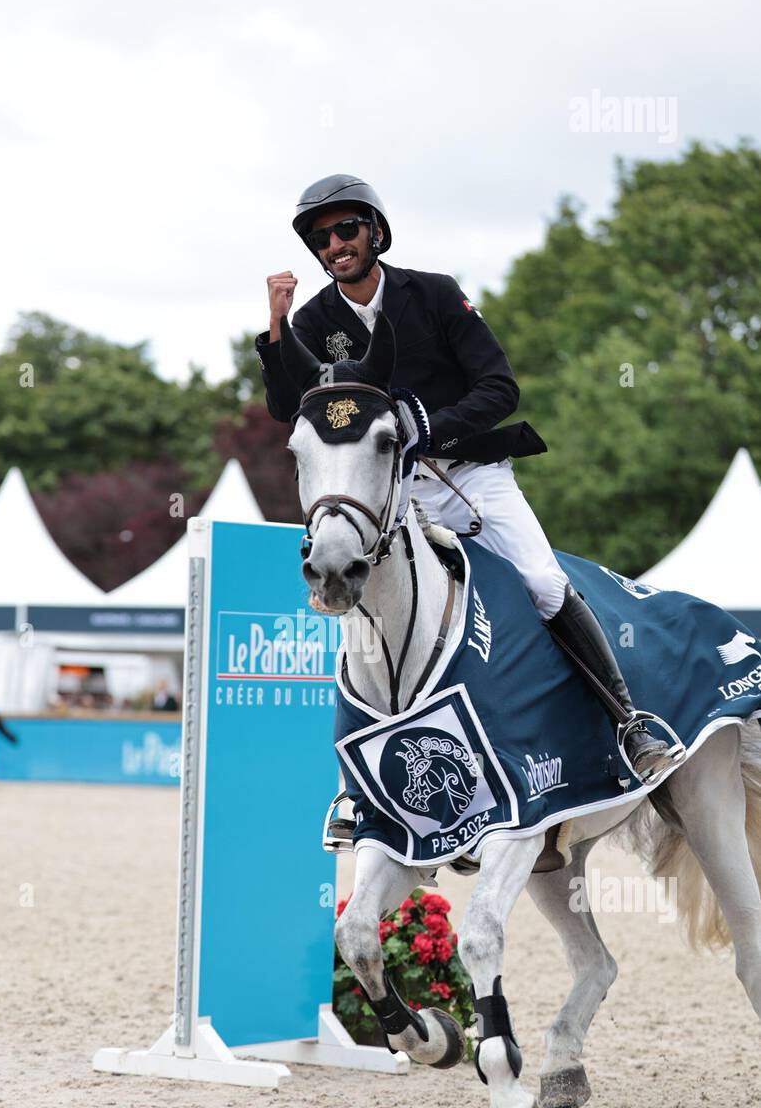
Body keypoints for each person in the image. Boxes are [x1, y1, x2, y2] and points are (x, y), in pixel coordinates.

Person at [254, 174, 671, 782]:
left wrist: (430, 426)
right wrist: (276, 326)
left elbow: (500, 388)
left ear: (375, 231)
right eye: (321, 237)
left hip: (471, 475)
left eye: (346, 228)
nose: (335, 244)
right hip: (391, 491)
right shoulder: (315, 319)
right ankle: (356, 787)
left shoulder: (434, 294)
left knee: (541, 581)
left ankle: (628, 722)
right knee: (359, 610)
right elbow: (288, 406)